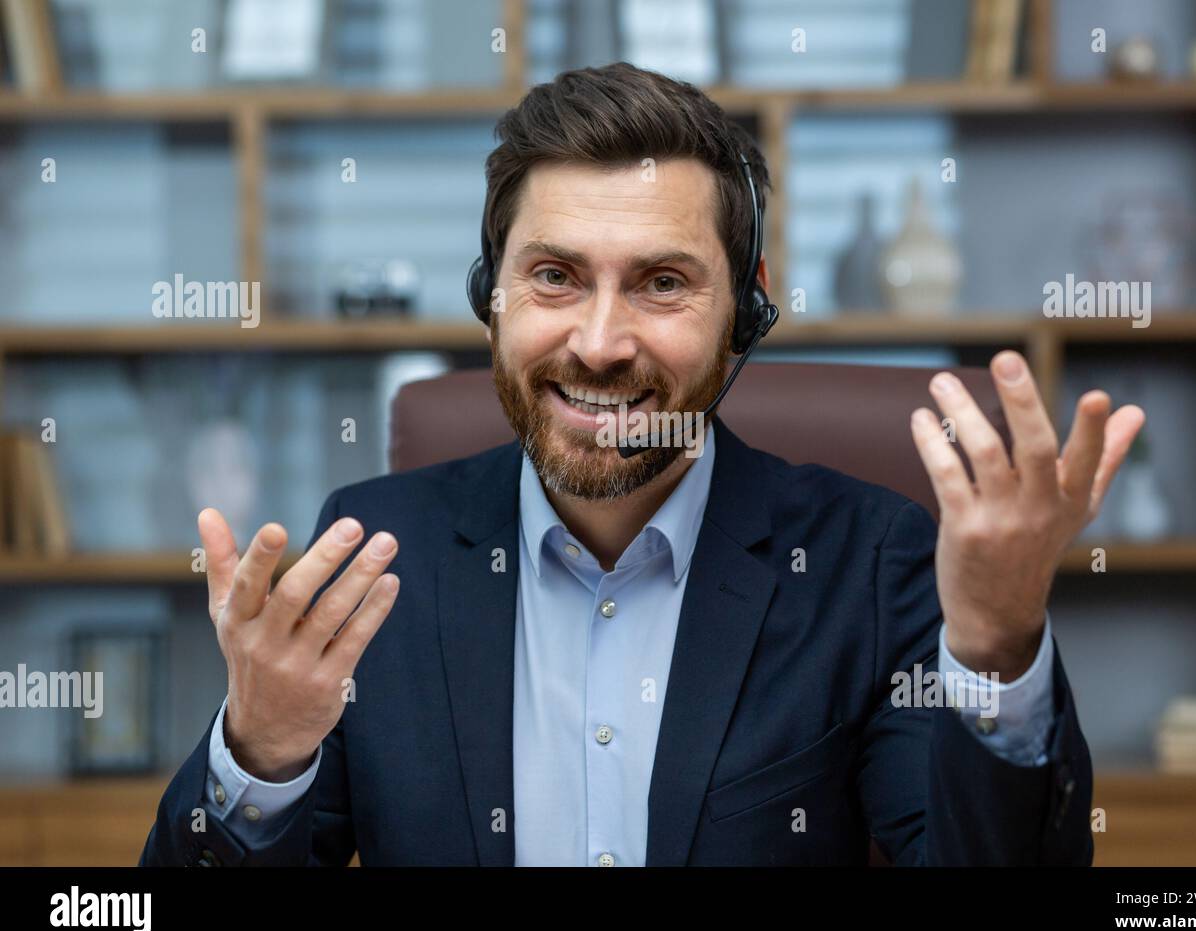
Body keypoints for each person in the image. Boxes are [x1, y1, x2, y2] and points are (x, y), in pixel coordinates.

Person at [141, 62, 1144, 867]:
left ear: (745, 312)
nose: (600, 341)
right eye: (554, 277)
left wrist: (996, 651)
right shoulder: (370, 559)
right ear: (491, 295)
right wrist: (261, 753)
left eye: (662, 282)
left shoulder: (873, 564)